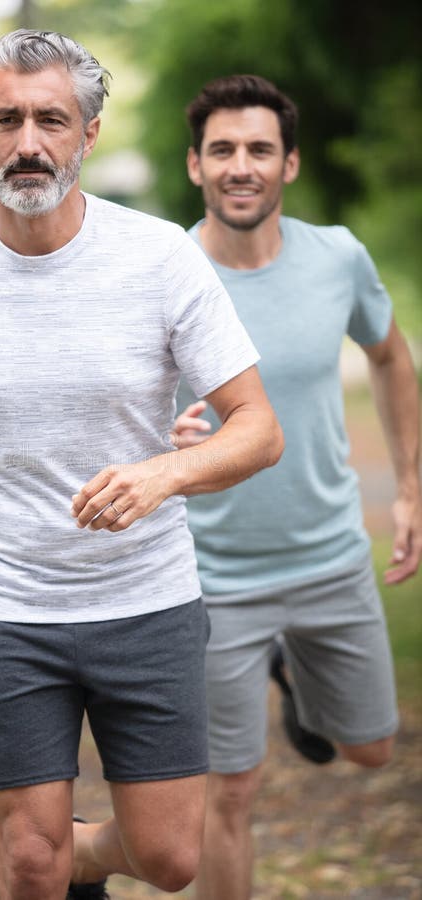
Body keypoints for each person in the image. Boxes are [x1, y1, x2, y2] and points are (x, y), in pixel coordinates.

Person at [0, 33, 284, 900]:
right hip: (5, 605)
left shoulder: (158, 260)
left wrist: (162, 475)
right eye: (7, 119)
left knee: (170, 860)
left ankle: (70, 850)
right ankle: (42, 855)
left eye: (52, 119)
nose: (29, 142)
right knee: (29, 865)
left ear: (89, 134)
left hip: (146, 599)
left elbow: (257, 428)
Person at [173, 74, 422, 900]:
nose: (241, 165)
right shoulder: (164, 275)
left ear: (290, 165)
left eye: (259, 150)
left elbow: (390, 356)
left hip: (330, 559)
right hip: (213, 579)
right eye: (223, 150)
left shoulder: (339, 257)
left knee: (371, 750)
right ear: (195, 167)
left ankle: (298, 683)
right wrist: (155, 443)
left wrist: (412, 487)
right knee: (230, 789)